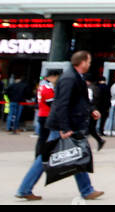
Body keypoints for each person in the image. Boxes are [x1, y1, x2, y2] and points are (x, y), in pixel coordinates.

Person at [15, 52, 103, 200]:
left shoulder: (76, 77)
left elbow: (79, 100)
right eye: (88, 61)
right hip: (63, 125)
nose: (90, 64)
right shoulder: (70, 78)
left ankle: (87, 190)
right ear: (82, 62)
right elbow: (62, 104)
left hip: (70, 123)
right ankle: (24, 189)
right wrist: (64, 127)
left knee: (76, 154)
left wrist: (91, 109)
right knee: (48, 157)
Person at [88, 75, 110, 151]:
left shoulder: (91, 89)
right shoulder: (99, 88)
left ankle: (99, 139)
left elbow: (91, 100)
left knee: (89, 128)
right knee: (91, 128)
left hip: (93, 110)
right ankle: (100, 137)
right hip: (100, 109)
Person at [35, 69, 58, 137]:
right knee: (49, 136)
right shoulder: (47, 87)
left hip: (42, 112)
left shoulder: (42, 86)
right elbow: (50, 103)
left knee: (43, 137)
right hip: (47, 114)